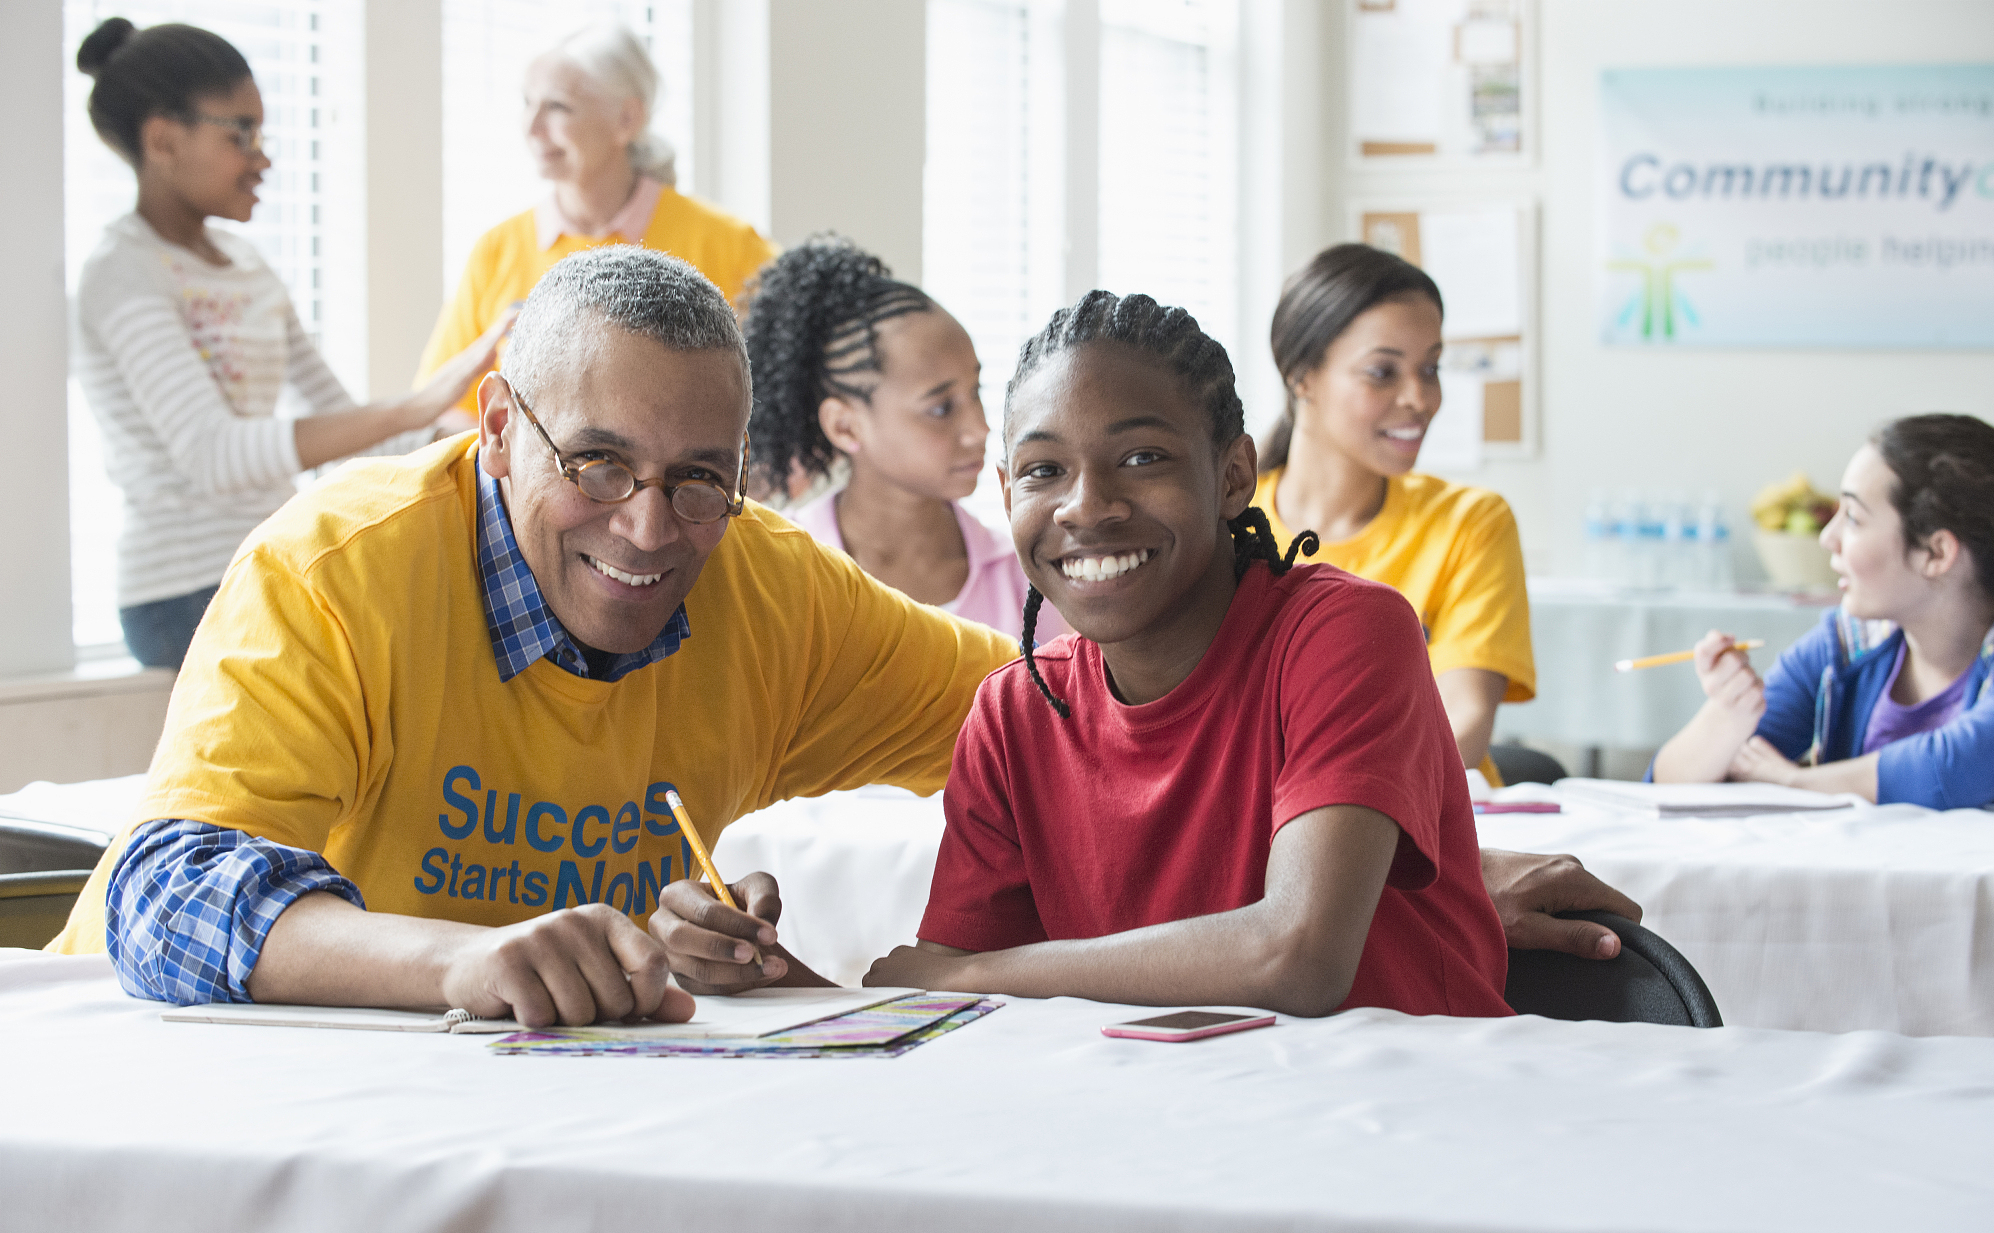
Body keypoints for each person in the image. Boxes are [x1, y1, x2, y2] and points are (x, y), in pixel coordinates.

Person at [50, 250, 1642, 1019]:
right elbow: (164, 895)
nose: (648, 527)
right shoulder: (336, 566)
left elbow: (1100, 721)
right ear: (497, 426)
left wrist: (1405, 847)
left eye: (699, 477)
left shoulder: (770, 590)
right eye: (594, 462)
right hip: (200, 1094)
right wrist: (465, 958)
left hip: (536, 1116)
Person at [864, 292, 1521, 1016]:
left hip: (1407, 1079)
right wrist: (941, 979)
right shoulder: (1014, 712)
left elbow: (1298, 958)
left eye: (1143, 458)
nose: (1086, 505)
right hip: (1170, 1085)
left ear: (1234, 476)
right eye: (1043, 470)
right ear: (1005, 491)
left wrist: (966, 977)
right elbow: (954, 1002)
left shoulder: (1344, 633)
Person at [72, 18, 505, 669]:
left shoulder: (248, 267)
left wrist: (480, 426)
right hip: (179, 593)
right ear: (162, 140)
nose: (263, 158)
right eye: (240, 134)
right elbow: (215, 454)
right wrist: (414, 406)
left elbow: (348, 433)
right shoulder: (123, 271)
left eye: (261, 134)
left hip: (264, 557)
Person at [1652, 415, 1994, 808]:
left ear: (1936, 552)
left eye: (1854, 518)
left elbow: (1956, 769)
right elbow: (1663, 786)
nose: (1828, 537)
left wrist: (1793, 782)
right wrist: (1727, 715)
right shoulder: (1846, 644)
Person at [1249, 244, 1536, 783]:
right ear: (1302, 376)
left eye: (1430, 368)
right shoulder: (1222, 528)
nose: (1420, 398)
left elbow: (1464, 721)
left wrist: (1332, 812)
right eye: (1383, 372)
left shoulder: (1470, 523)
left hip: (1425, 819)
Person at [416, 22, 773, 421]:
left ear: (627, 119)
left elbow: (785, 392)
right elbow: (440, 409)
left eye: (557, 107)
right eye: (527, 102)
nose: (531, 127)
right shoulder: (495, 251)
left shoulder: (730, 244)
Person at [743, 235, 1063, 640]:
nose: (980, 429)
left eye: (975, 391)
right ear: (845, 426)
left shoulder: (1027, 579)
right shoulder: (779, 566)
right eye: (940, 408)